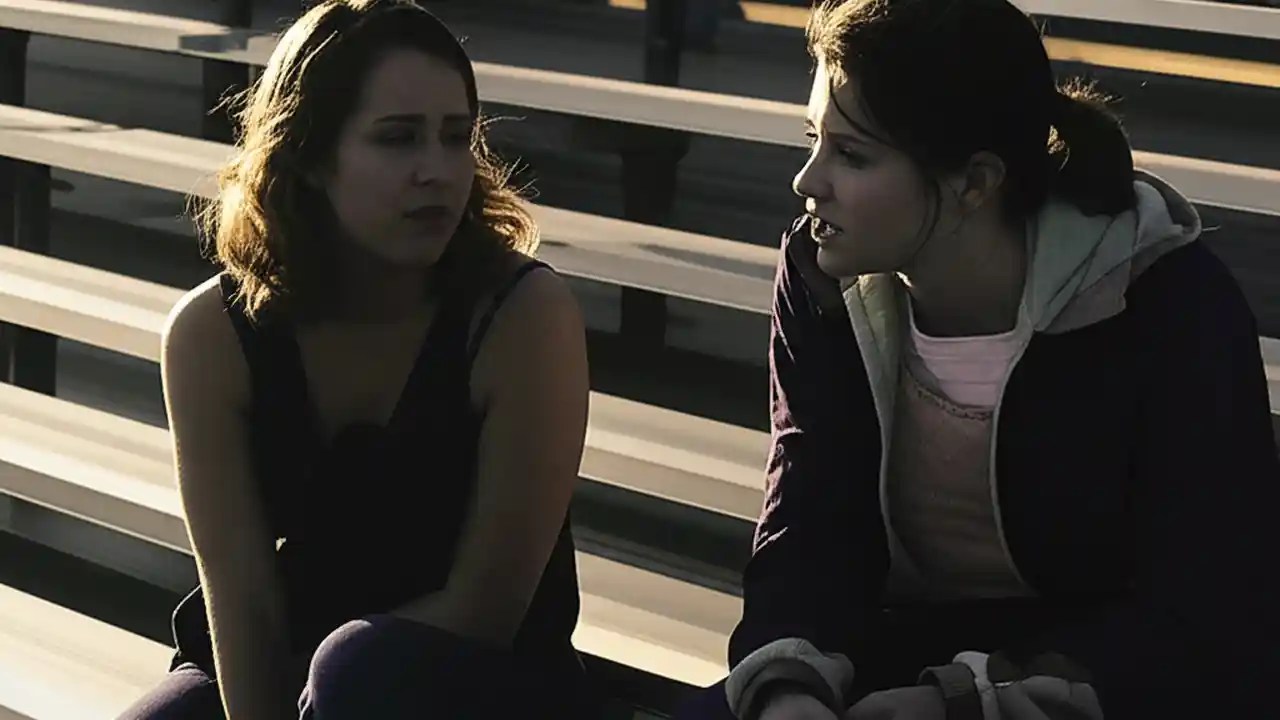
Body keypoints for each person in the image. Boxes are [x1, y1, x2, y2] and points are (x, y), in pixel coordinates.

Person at [677, 0, 1280, 718]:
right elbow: (807, 520)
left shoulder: (1163, 300)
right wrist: (789, 686)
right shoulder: (822, 277)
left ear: (974, 183)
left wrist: (969, 700)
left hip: (1102, 680)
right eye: (814, 139)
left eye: (852, 155)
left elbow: (1208, 602)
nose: (807, 181)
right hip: (896, 653)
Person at [117, 1, 594, 718]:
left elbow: (490, 609)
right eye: (398, 139)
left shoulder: (524, 315)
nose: (437, 170)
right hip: (296, 658)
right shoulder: (210, 335)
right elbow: (242, 605)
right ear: (307, 159)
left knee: (357, 670)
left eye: (456, 137)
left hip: (475, 680)